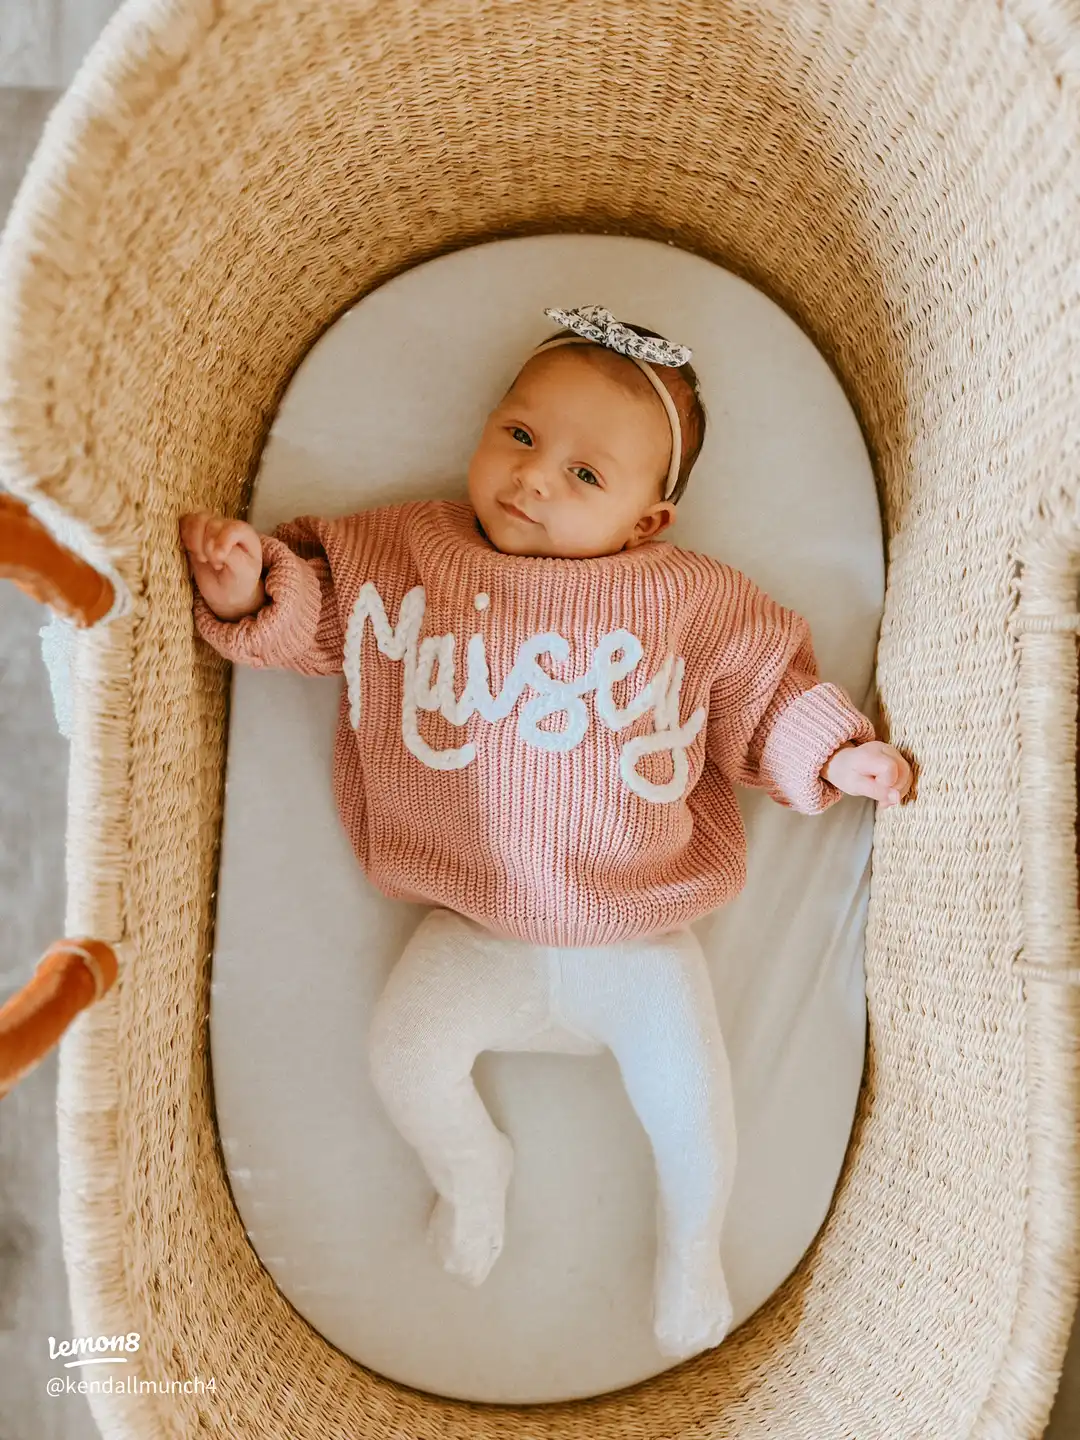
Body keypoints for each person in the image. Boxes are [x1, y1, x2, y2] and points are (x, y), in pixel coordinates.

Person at [180, 303, 912, 1358]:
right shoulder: (409, 555)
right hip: (475, 931)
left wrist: (836, 756)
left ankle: (690, 1246)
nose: (533, 478)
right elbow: (320, 611)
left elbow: (767, 696)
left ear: (645, 523)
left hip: (638, 941)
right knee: (401, 1056)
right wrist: (251, 585)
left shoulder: (689, 601)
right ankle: (474, 1171)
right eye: (521, 436)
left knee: (695, 1114)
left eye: (584, 476)